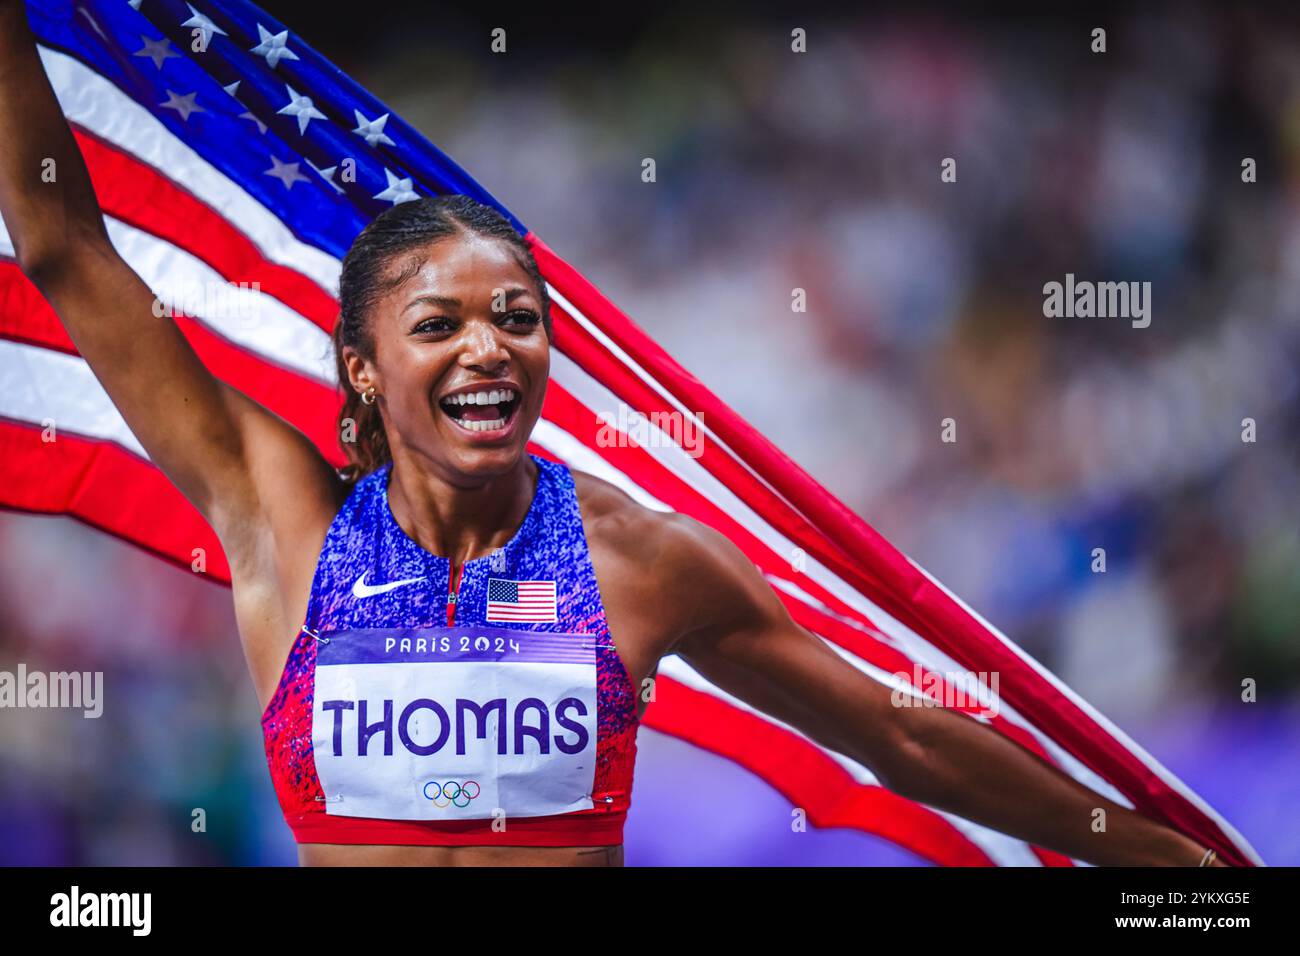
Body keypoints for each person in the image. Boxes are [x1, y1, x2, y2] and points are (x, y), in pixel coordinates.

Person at [0, 3, 1226, 867]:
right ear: (364, 371)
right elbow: (66, 250)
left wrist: (1152, 853)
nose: (487, 346)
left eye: (516, 319)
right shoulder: (279, 512)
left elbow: (899, 736)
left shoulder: (641, 561)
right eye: (441, 323)